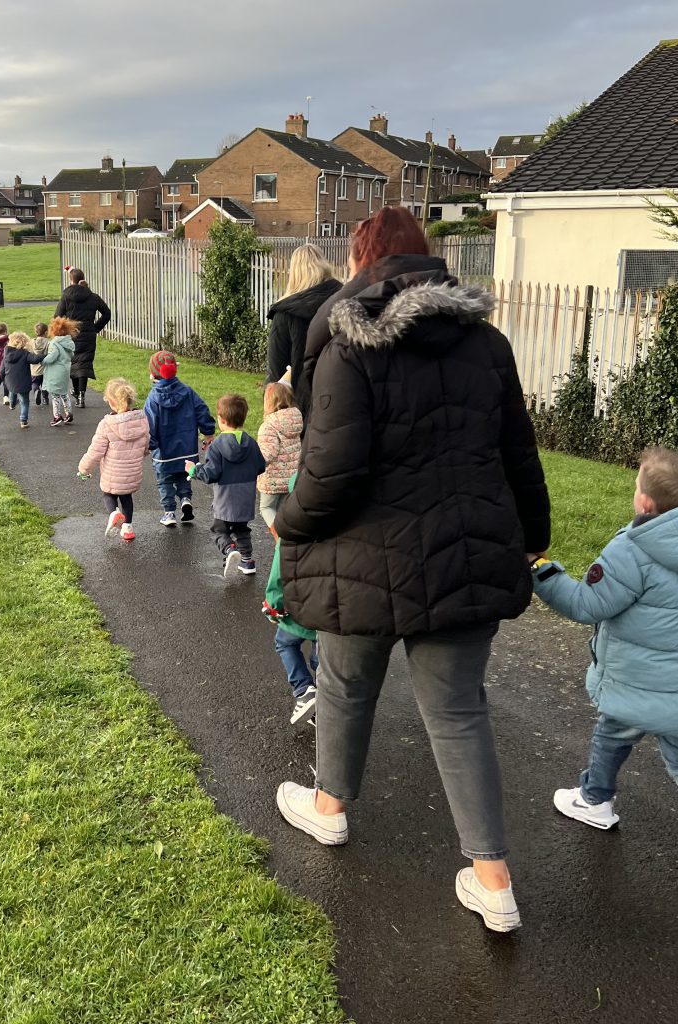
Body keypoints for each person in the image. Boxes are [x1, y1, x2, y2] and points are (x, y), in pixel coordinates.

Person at [274, 207, 550, 934]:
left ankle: (329, 808)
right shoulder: (485, 342)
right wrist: (536, 533)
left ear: (363, 262)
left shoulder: (345, 344)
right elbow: (518, 451)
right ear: (428, 263)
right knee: (459, 711)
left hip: (364, 559)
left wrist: (287, 522)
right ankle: (494, 881)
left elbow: (331, 473)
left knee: (344, 682)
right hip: (464, 553)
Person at [531, 446, 678, 880]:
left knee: (614, 734)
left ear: (645, 502)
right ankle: (594, 797)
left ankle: (595, 800)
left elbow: (587, 605)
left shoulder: (632, 549)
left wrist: (540, 570)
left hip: (634, 681)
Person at [186, 394, 266, 577]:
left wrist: (193, 470)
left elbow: (210, 474)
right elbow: (261, 466)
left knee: (219, 529)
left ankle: (230, 550)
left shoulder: (217, 446)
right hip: (246, 497)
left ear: (221, 420)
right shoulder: (251, 443)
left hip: (225, 499)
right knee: (242, 529)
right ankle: (247, 561)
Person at [262, 476, 319, 727]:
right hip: (333, 610)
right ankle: (326, 696)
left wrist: (273, 604)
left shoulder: (291, 530)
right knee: (323, 656)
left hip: (298, 605)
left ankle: (303, 689)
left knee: (284, 643)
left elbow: (279, 571)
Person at [265, 243, 341, 417]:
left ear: (295, 273)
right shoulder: (344, 302)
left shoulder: (286, 314)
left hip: (300, 408)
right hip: (341, 398)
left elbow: (276, 372)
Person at [144, 350, 215, 528]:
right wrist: (208, 432)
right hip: (187, 448)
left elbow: (150, 425)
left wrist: (150, 445)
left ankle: (169, 513)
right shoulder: (188, 392)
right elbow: (202, 410)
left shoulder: (153, 399)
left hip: (164, 451)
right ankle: (185, 499)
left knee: (165, 480)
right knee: (184, 475)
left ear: (152, 374)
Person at [77, 378, 150, 543]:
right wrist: (139, 454)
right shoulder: (142, 421)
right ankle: (128, 528)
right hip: (132, 472)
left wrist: (84, 468)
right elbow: (147, 445)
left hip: (112, 473)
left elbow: (95, 451)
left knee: (108, 494)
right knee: (127, 498)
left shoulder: (106, 424)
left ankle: (113, 513)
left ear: (111, 402)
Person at [55, 266, 111, 408]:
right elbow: (107, 313)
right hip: (88, 334)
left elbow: (57, 316)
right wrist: (95, 327)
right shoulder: (93, 297)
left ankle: (75, 391)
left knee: (72, 362)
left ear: (71, 279)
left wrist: (62, 330)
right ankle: (81, 395)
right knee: (84, 363)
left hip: (71, 334)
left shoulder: (66, 296)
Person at [257, 376, 303, 539]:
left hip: (272, 479)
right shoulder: (295, 421)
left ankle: (280, 538)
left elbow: (267, 454)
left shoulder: (269, 426)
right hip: (291, 477)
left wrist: (255, 463)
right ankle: (288, 535)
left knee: (266, 508)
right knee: (284, 510)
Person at [2, 331, 45, 429]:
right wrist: (45, 356)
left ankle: (12, 404)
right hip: (23, 382)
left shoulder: (6, 353)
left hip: (10, 380)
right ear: (25, 342)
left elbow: (2, 369)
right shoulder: (25, 354)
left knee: (12, 391)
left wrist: (3, 377)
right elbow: (35, 359)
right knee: (25, 401)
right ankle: (23, 420)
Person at [42, 317, 78, 427]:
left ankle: (57, 416)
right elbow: (71, 356)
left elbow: (52, 357)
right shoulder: (69, 343)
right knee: (63, 393)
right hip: (65, 372)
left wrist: (42, 360)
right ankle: (68, 413)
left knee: (54, 395)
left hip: (55, 373)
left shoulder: (54, 344)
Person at [30, 322, 49, 406]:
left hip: (34, 369)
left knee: (34, 383)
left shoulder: (31, 342)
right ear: (45, 332)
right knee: (45, 384)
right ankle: (45, 399)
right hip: (45, 369)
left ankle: (36, 390)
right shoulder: (48, 342)